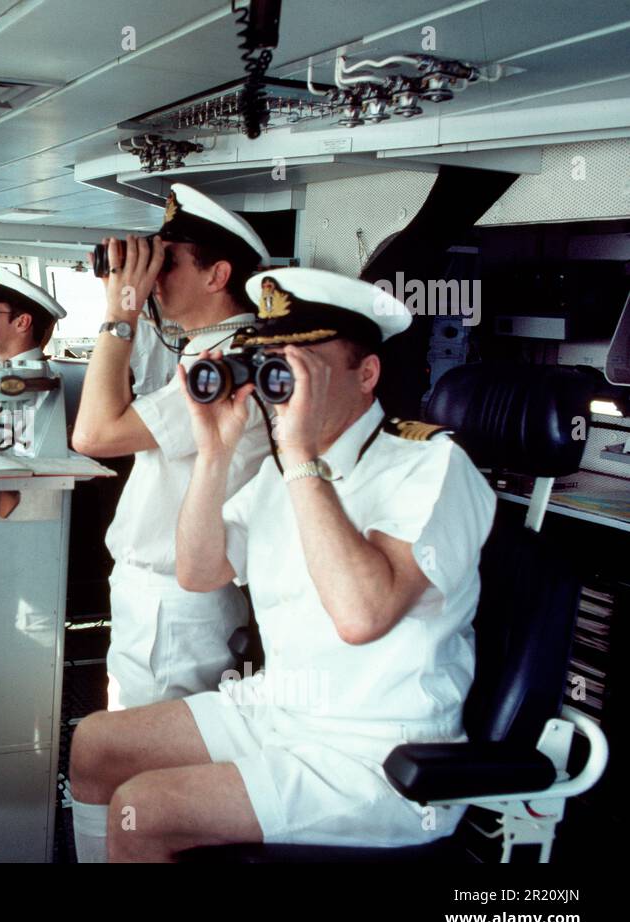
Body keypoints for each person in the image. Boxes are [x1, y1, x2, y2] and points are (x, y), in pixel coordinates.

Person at [67, 268, 496, 862]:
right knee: (96, 744)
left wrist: (297, 455)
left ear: (366, 374)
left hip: (377, 751)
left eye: (301, 368)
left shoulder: (431, 468)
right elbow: (199, 571)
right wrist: (213, 455)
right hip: (278, 707)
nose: (281, 388)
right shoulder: (279, 470)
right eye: (272, 367)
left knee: (146, 812)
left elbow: (361, 617)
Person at [71, 184, 273, 711]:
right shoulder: (205, 350)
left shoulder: (227, 364)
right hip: (163, 599)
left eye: (168, 263)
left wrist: (121, 313)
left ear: (217, 275)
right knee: (133, 747)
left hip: (177, 606)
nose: (153, 277)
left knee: (136, 759)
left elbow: (94, 434)